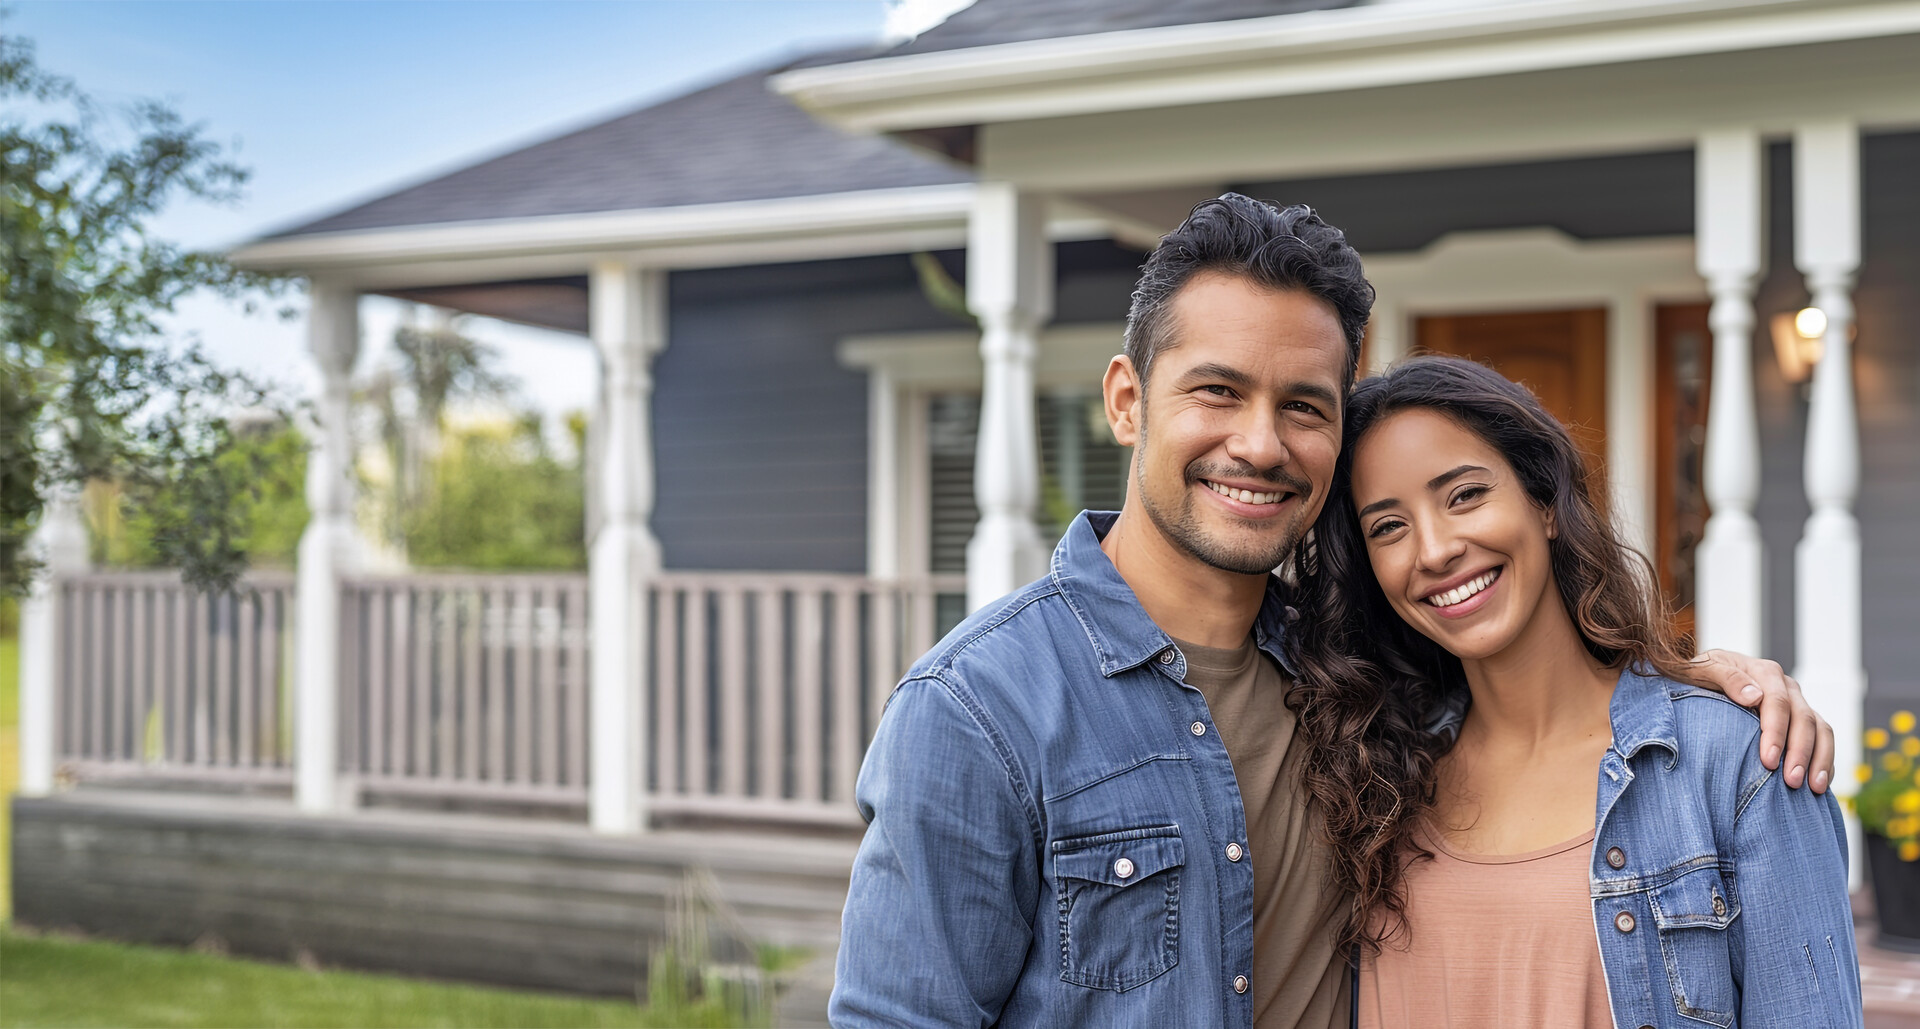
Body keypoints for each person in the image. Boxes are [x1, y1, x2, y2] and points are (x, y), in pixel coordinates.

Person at [829, 194, 1834, 1029]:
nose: (1261, 444)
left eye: (1304, 406)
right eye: (1217, 391)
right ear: (1127, 401)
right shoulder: (978, 710)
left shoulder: (1358, 695)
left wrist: (1696, 686)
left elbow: (1562, 714)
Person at [1285, 355, 1859, 1028]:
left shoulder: (1740, 762)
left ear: (1546, 503)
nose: (1434, 550)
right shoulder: (1368, 778)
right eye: (1388, 526)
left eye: (1464, 495)